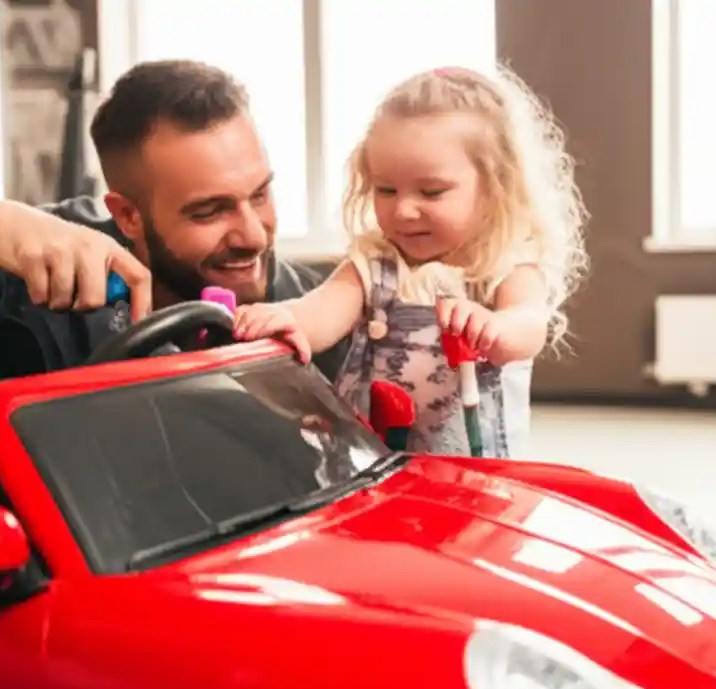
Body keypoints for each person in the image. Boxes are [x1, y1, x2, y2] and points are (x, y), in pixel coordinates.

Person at [0, 59, 348, 381]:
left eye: (260, 194)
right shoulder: (55, 255)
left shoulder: (321, 312)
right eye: (210, 211)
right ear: (127, 215)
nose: (252, 234)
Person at [233, 65, 589, 459]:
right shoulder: (376, 263)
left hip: (475, 463)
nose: (403, 210)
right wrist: (284, 317)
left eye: (431, 192)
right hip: (376, 458)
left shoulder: (506, 264)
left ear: (495, 186)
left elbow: (528, 324)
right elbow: (321, 311)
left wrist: (495, 328)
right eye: (386, 190)